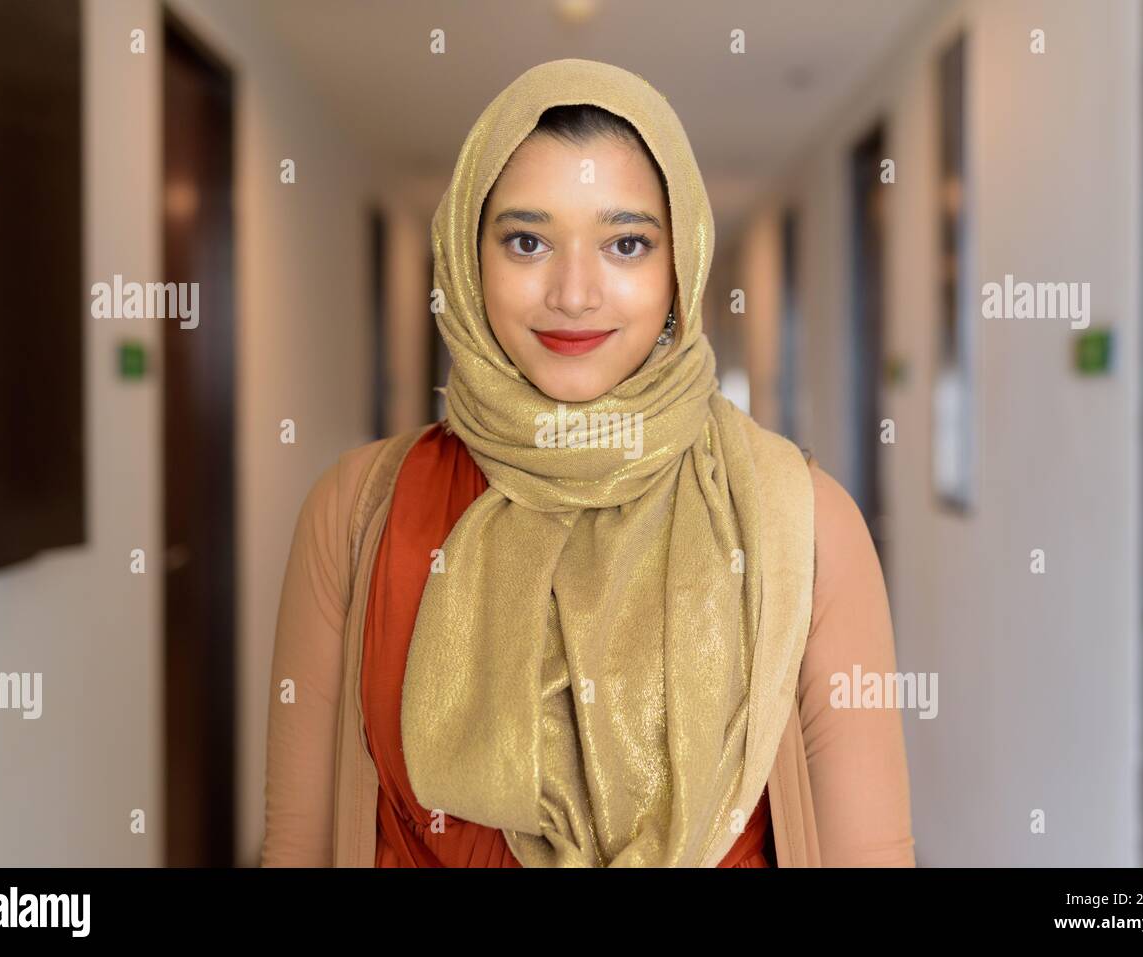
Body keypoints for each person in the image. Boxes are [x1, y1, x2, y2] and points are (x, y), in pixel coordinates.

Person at [262, 58, 915, 867]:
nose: (574, 293)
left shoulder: (802, 519)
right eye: (528, 240)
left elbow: (871, 854)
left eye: (626, 243)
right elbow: (299, 845)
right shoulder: (357, 510)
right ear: (469, 263)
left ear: (682, 269)